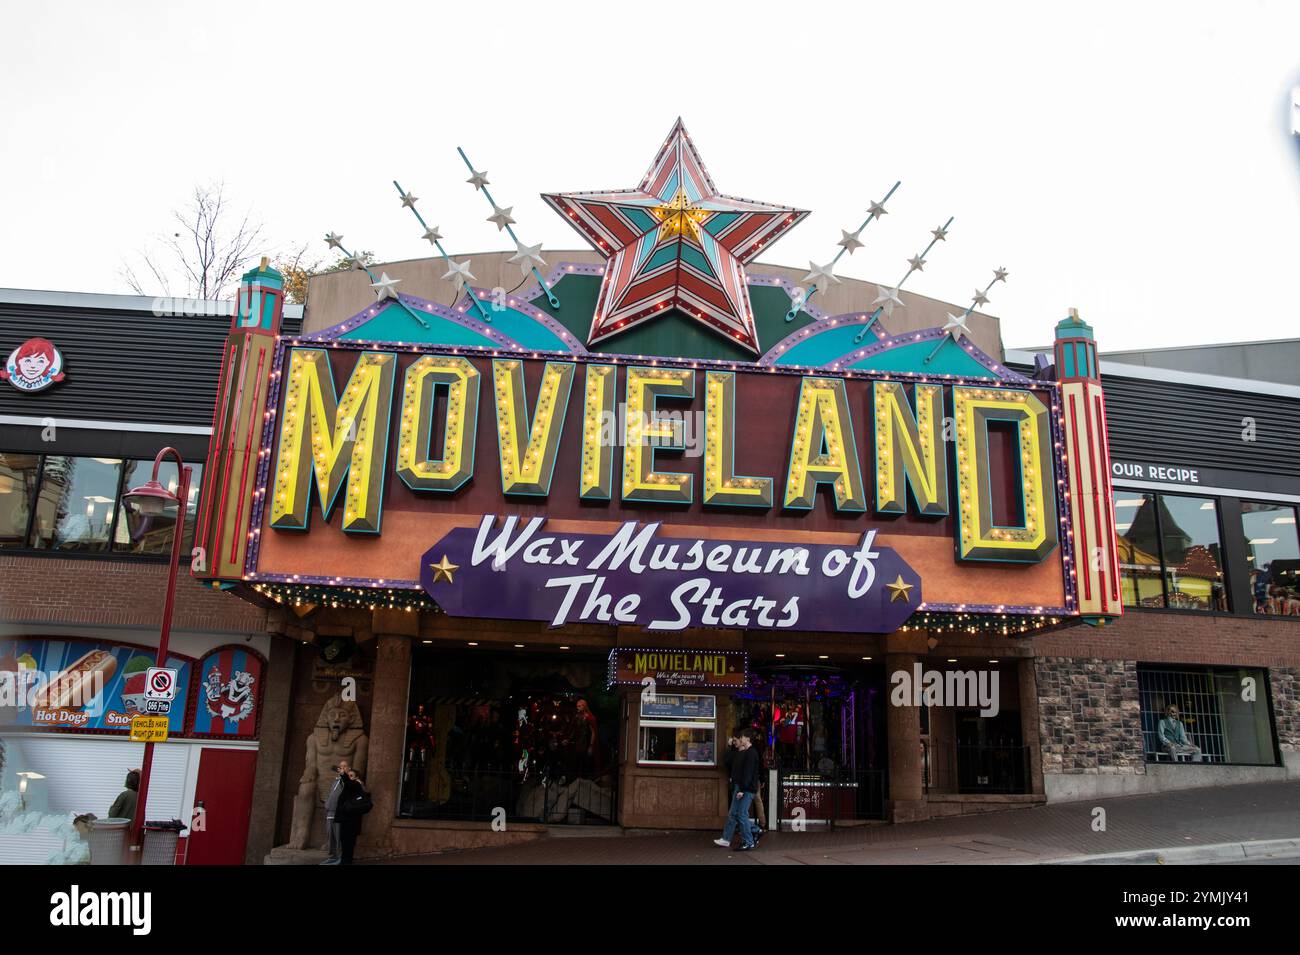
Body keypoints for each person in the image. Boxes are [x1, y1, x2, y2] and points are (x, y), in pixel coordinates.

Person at [714, 729, 758, 851]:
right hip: (744, 787)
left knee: (741, 814)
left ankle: (749, 840)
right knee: (737, 814)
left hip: (746, 788)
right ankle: (747, 836)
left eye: (742, 738)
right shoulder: (749, 752)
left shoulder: (750, 753)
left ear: (748, 739)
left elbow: (748, 773)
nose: (740, 739)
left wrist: (742, 789)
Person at [319, 759, 350, 865]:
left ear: (348, 768)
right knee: (330, 834)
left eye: (344, 766)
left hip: (339, 813)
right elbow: (331, 793)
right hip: (330, 812)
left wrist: (343, 775)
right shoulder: (336, 780)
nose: (342, 768)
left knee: (338, 834)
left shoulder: (347, 781)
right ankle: (333, 855)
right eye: (341, 766)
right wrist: (327, 803)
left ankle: (340, 857)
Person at [336, 769, 368, 865]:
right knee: (344, 842)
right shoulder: (349, 786)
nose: (349, 777)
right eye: (348, 775)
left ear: (356, 777)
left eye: (351, 776)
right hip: (345, 819)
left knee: (348, 843)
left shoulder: (356, 785)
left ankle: (346, 862)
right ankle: (344, 860)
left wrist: (344, 775)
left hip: (351, 821)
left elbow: (350, 783)